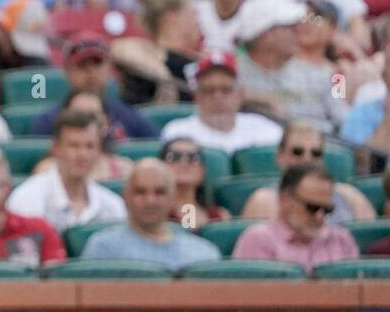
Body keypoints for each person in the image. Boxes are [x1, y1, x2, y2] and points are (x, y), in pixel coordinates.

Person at [79, 160, 222, 270]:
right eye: (140, 192)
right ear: (125, 196)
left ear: (172, 198)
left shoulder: (203, 253)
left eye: (159, 192)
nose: (150, 201)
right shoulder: (103, 248)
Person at [235, 0, 344, 132]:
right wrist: (257, 99)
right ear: (266, 35)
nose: (300, 30)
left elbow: (344, 121)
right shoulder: (230, 74)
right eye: (291, 27)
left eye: (318, 18)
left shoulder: (333, 76)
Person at [6, 110, 127, 233]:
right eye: (74, 145)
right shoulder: (28, 198)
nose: (82, 154)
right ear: (56, 148)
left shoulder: (113, 205)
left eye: (90, 146)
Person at [233, 163, 360, 272]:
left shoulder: (342, 240)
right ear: (285, 199)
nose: (320, 216)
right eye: (312, 207)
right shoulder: (258, 239)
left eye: (327, 209)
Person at [240, 121, 375, 223]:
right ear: (280, 157)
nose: (307, 159)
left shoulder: (351, 197)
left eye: (315, 153)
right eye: (297, 152)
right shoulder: (263, 200)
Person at [31, 34, 158, 140]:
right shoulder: (48, 122)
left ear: (109, 69)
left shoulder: (130, 117)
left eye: (97, 64)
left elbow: (153, 148)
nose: (91, 72)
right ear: (67, 72)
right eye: (82, 65)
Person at [160, 53, 284, 153]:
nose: (217, 97)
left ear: (240, 95)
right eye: (209, 90)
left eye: (226, 90)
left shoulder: (265, 129)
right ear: (196, 97)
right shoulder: (178, 132)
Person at [111, 0, 202, 105]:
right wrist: (162, 76)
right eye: (193, 14)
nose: (198, 21)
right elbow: (118, 48)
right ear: (172, 17)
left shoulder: (196, 59)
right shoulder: (147, 52)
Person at [31, 89, 134, 182]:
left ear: (106, 122)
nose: (86, 123)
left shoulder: (125, 170)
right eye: (78, 115)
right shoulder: (47, 170)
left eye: (93, 116)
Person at [160, 137, 229, 228]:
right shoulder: (153, 212)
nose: (184, 163)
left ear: (202, 170)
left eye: (194, 158)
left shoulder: (221, 216)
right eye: (174, 157)